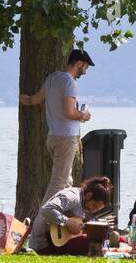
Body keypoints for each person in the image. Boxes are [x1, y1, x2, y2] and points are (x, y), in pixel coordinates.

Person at [19, 48, 94, 200]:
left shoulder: (52, 78)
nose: (85, 71)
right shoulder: (70, 83)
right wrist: (83, 115)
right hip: (65, 138)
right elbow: (70, 112)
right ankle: (42, 220)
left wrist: (25, 100)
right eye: (85, 67)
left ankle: (63, 220)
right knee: (58, 183)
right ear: (79, 63)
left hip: (53, 136)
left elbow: (36, 99)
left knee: (67, 181)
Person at [27, 175, 112, 255]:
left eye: (97, 209)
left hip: (58, 242)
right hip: (43, 244)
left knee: (97, 237)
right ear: (89, 195)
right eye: (94, 205)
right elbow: (47, 209)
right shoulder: (72, 197)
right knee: (93, 242)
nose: (93, 210)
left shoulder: (82, 203)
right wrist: (67, 221)